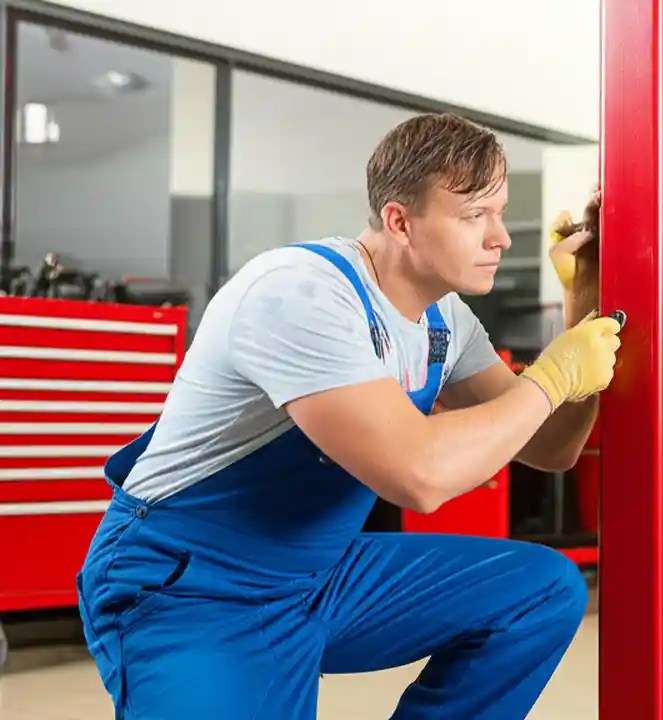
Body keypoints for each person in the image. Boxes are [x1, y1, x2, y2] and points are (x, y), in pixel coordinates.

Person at [76, 112, 621, 719]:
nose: (501, 238)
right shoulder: (300, 294)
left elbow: (551, 448)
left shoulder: (446, 321)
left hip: (316, 572)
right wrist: (549, 378)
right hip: (193, 583)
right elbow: (419, 475)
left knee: (538, 591)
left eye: (498, 212)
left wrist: (584, 305)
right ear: (399, 221)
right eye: (474, 216)